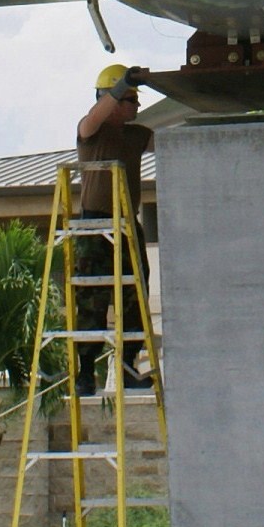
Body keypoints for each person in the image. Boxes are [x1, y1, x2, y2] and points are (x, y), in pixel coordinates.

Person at [74, 64, 158, 388]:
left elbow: (170, 138)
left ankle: (128, 369)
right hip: (95, 225)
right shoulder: (91, 130)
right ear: (115, 97)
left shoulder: (134, 135)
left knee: (135, 297)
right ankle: (85, 373)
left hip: (126, 225)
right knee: (91, 299)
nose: (136, 107)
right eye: (131, 100)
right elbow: (94, 117)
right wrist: (122, 84)